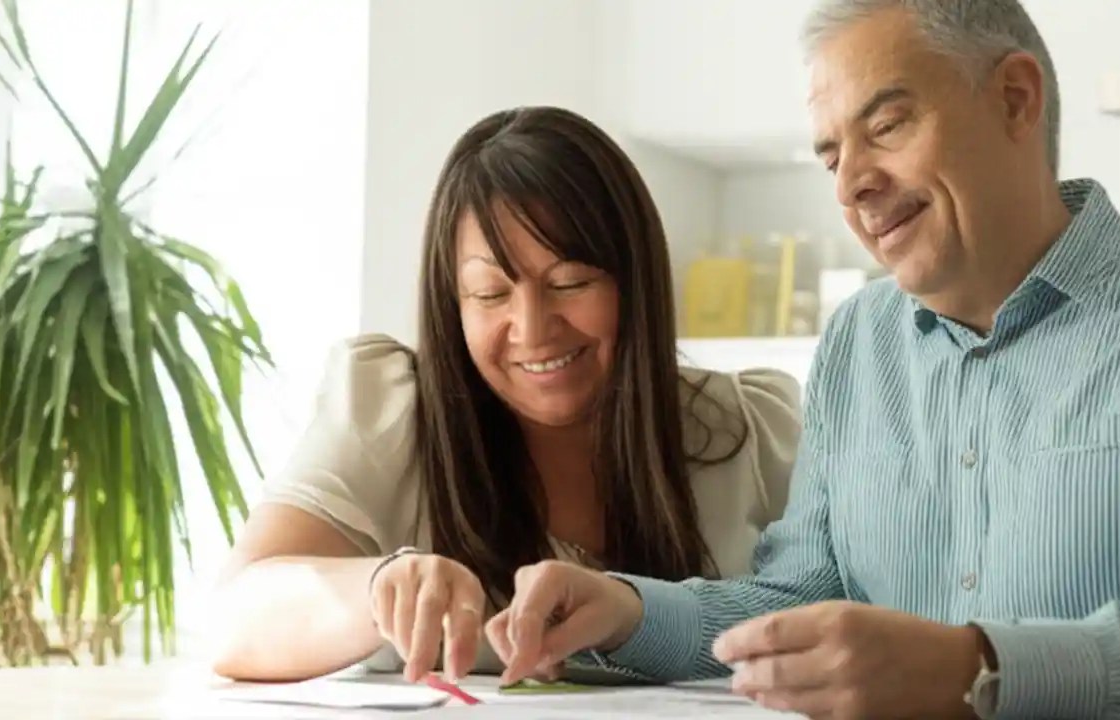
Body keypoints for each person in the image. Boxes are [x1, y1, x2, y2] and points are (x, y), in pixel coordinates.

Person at [485, 2, 1120, 718]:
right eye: (831, 158)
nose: (853, 185)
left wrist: (981, 667)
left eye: (886, 127)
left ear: (1016, 99)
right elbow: (799, 599)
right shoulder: (857, 342)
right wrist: (629, 613)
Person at [205, 106, 803, 683]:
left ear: (636, 281)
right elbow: (235, 619)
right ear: (452, 304)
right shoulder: (389, 410)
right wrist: (382, 587)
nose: (533, 328)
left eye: (570, 283)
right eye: (490, 294)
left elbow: (844, 611)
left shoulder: (747, 430)